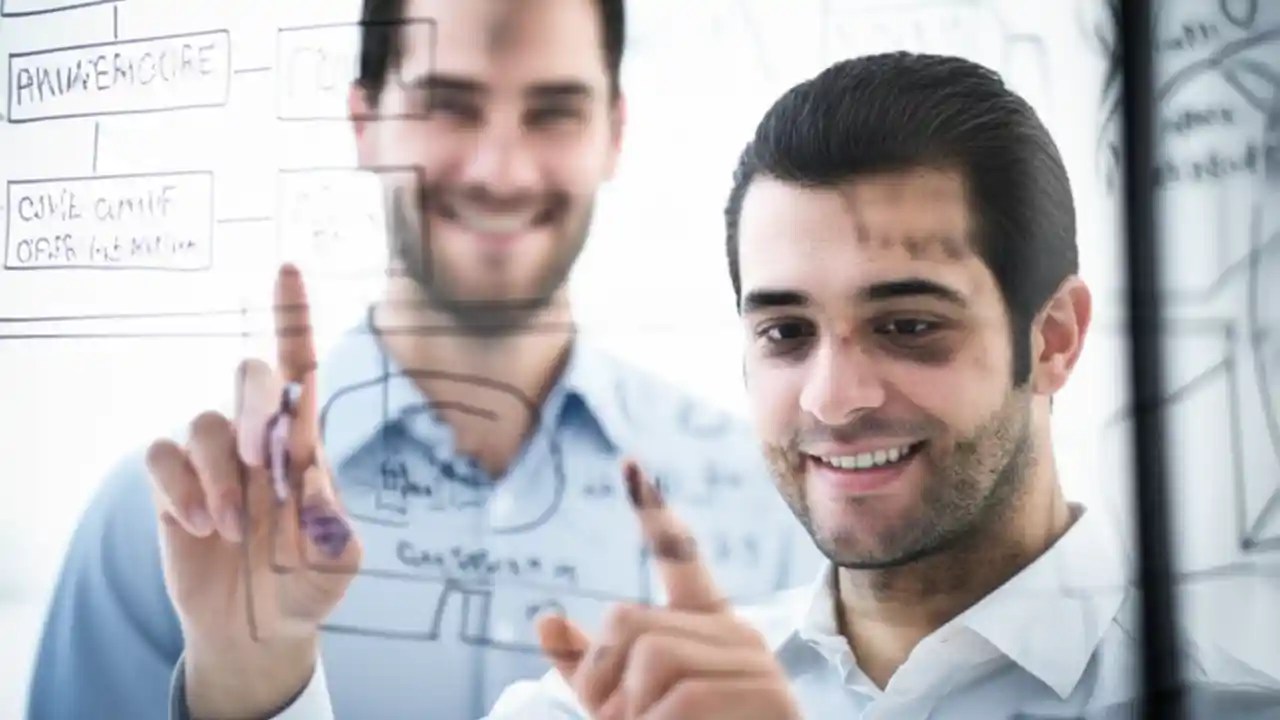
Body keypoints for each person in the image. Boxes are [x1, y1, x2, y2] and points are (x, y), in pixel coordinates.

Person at [205, 51, 1280, 719]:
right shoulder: (622, 709)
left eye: (906, 326)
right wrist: (258, 674)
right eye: (783, 330)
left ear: (1051, 339)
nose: (831, 396)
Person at [24, 1, 820, 719]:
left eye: (553, 112)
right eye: (448, 105)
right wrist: (243, 693)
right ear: (363, 120)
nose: (500, 171)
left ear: (614, 133)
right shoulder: (178, 523)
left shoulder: (780, 514)